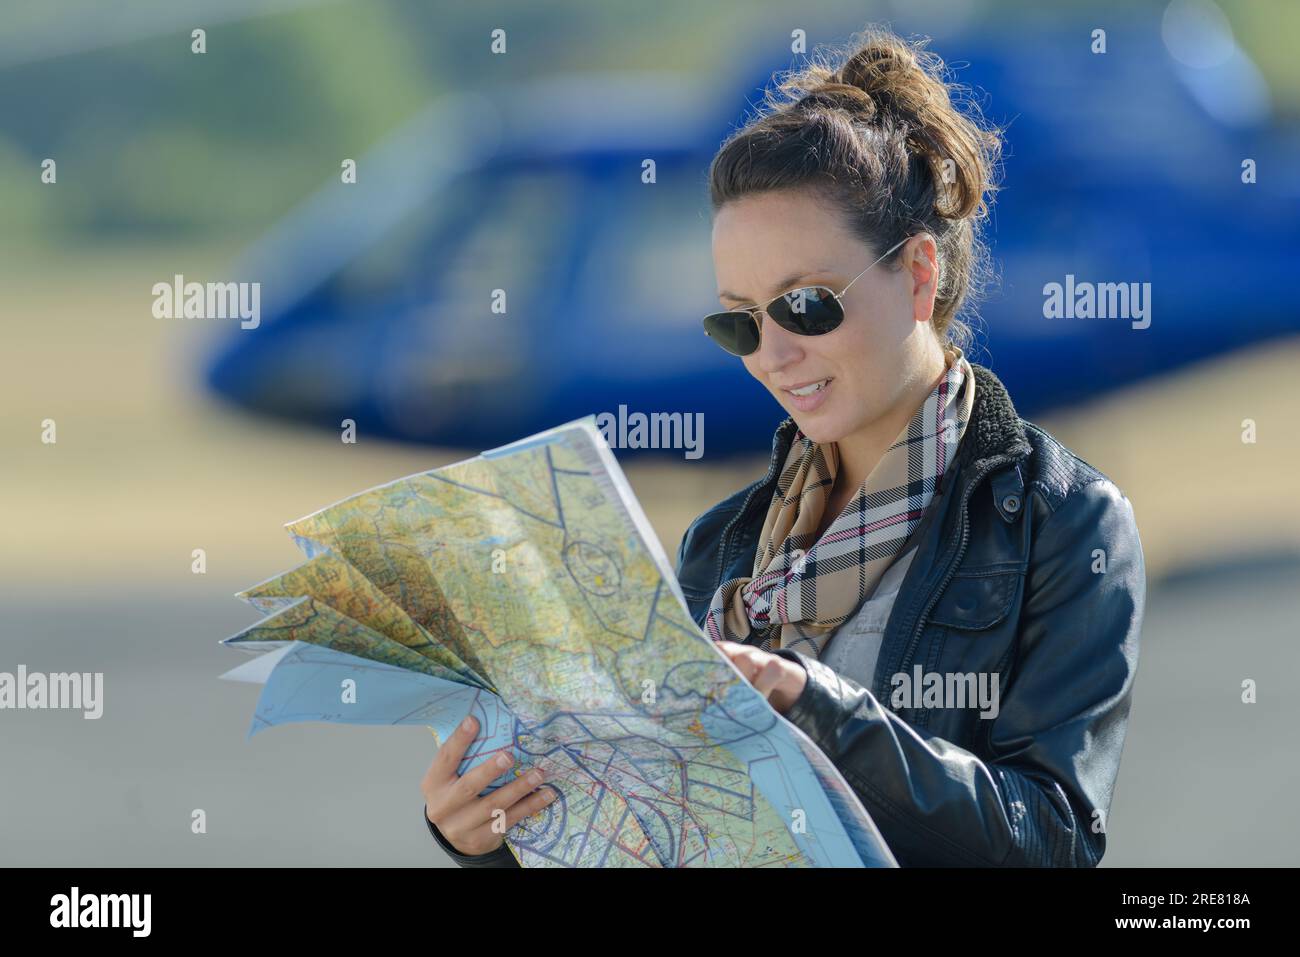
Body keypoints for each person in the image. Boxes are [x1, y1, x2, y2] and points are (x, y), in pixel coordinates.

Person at [422, 24, 1145, 868]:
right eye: (739, 320)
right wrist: (488, 832)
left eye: (805, 306)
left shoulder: (1063, 522)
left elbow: (1050, 842)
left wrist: (817, 707)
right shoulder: (720, 545)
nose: (771, 353)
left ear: (917, 274)